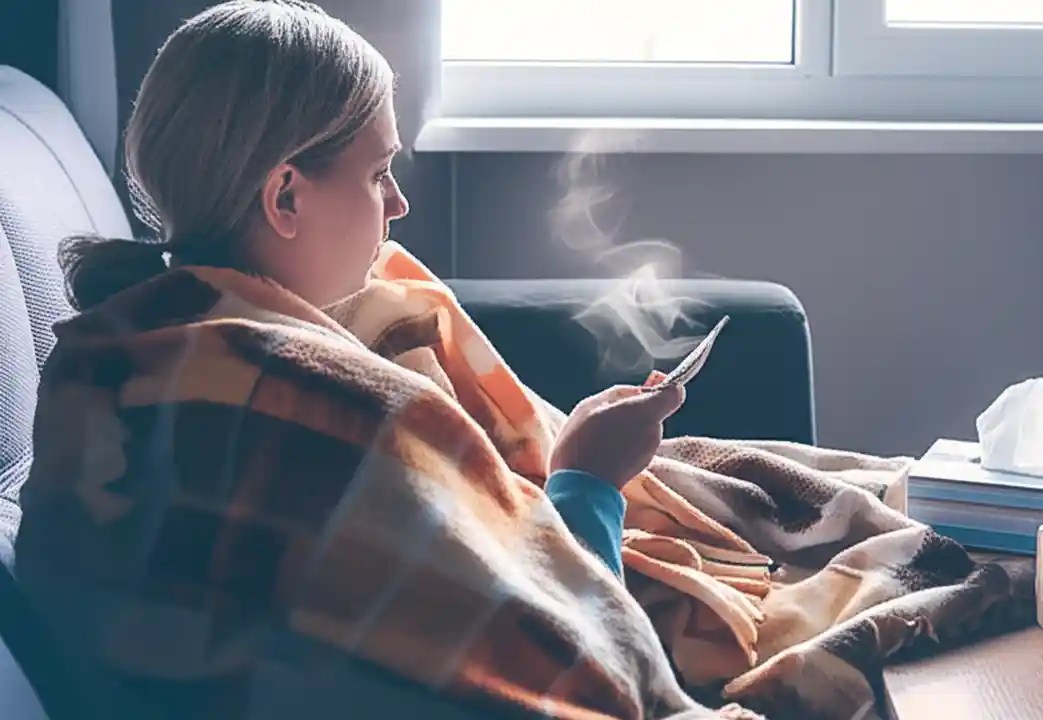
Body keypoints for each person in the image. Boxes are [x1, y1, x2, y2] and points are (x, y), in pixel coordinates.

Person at [15, 2, 758, 718]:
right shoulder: (323, 406)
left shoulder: (115, 356)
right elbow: (576, 669)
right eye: (378, 174)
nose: (398, 204)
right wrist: (587, 480)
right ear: (285, 197)